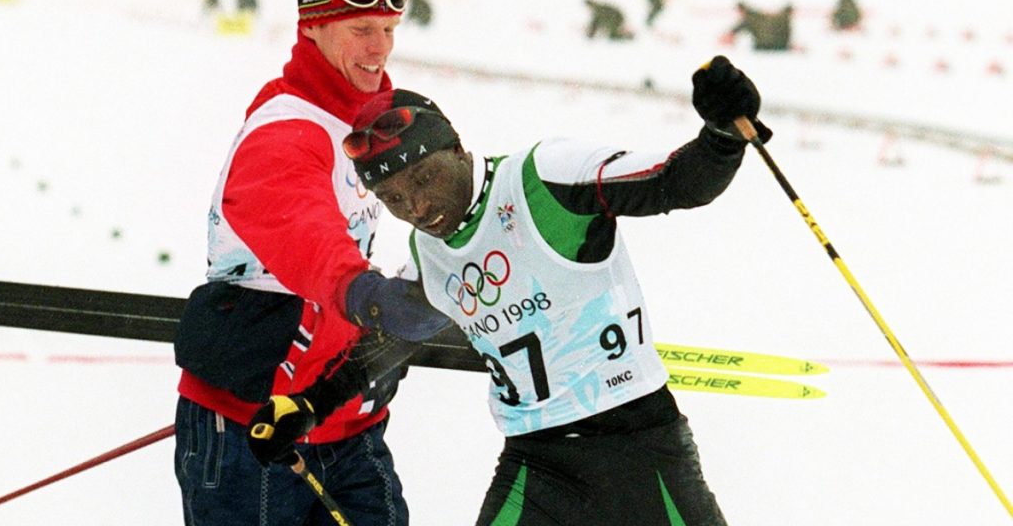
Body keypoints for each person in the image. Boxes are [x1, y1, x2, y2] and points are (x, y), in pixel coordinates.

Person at [245, 55, 771, 524]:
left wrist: (722, 136)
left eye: (425, 179)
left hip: (639, 446)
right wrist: (308, 406)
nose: (418, 209)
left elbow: (674, 182)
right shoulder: (430, 255)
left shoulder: (542, 177)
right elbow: (390, 341)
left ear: (456, 148)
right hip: (537, 465)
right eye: (394, 199)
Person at [171, 0, 451, 525]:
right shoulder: (286, 129)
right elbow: (307, 234)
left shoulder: (368, 125)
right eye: (362, 30)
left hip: (347, 424)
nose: (381, 48)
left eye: (389, 31)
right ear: (314, 24)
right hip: (253, 429)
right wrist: (368, 293)